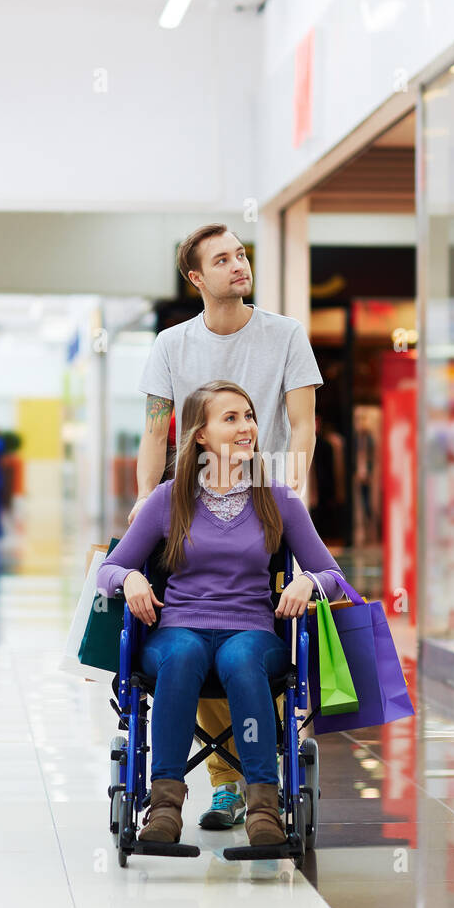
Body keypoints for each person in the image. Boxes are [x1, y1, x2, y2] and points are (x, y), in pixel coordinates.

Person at [130, 222, 322, 830]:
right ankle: (222, 781)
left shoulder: (285, 335)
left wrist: (283, 492)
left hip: (261, 484)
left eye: (242, 254)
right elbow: (155, 429)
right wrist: (145, 501)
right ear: (196, 279)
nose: (239, 264)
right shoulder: (171, 345)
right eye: (223, 259)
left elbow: (303, 425)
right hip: (187, 493)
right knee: (189, 624)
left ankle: (245, 778)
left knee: (245, 627)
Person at [98, 381, 344, 847]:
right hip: (177, 629)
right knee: (184, 655)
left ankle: (264, 808)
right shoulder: (169, 499)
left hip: (252, 630)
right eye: (230, 418)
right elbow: (110, 568)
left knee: (240, 659)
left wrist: (308, 581)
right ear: (201, 436)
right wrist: (128, 579)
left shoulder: (278, 499)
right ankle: (165, 807)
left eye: (249, 416)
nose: (246, 426)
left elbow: (334, 574)